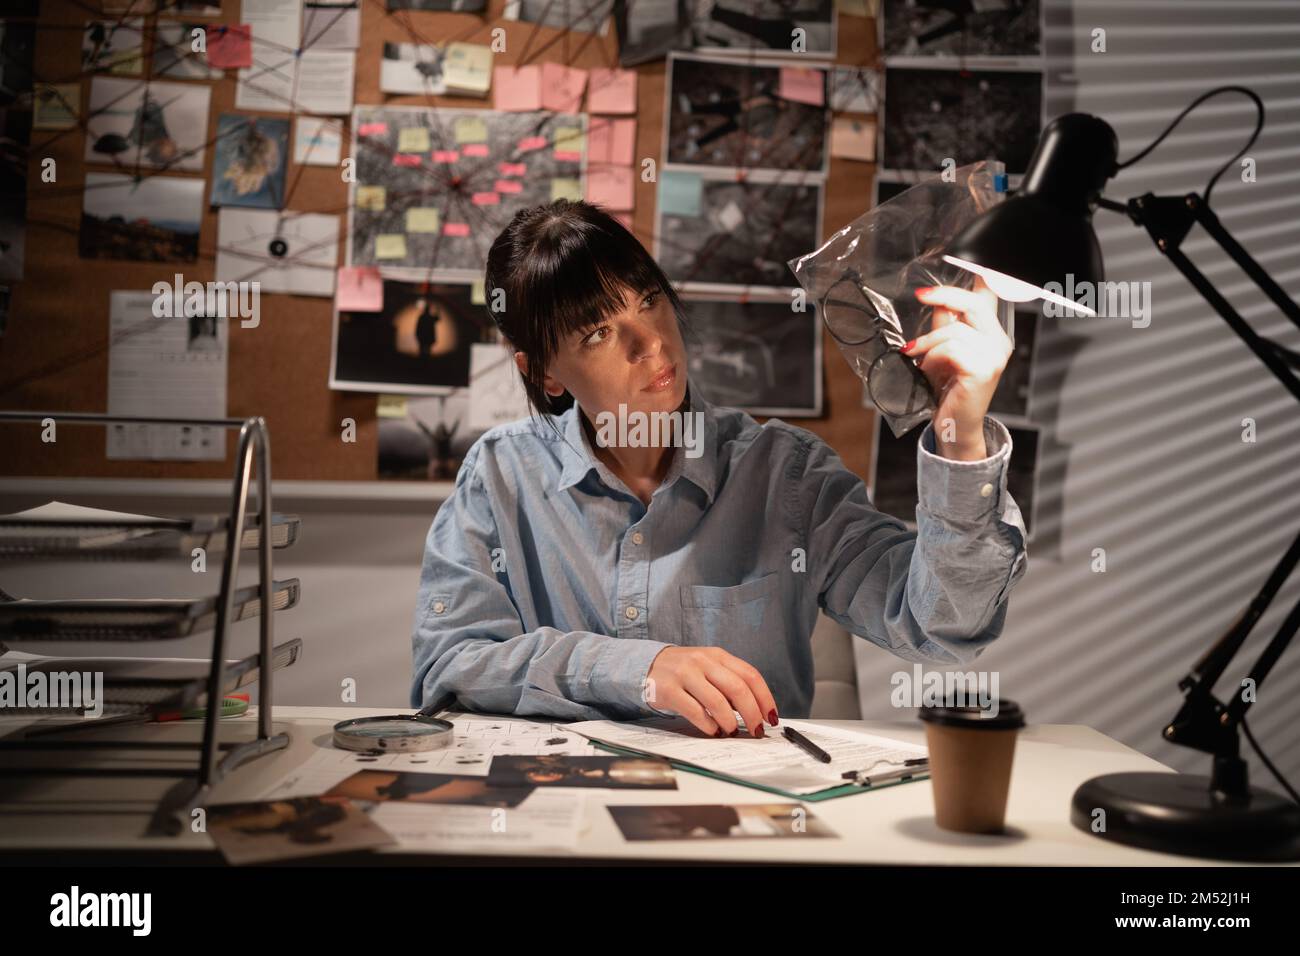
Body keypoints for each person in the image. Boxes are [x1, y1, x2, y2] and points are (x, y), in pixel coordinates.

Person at [411, 199, 1028, 738]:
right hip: (559, 825)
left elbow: (942, 624)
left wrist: (961, 433)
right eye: (598, 331)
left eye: (649, 300)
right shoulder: (501, 475)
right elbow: (448, 667)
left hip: (745, 823)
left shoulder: (784, 474)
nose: (649, 341)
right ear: (542, 371)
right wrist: (639, 669)